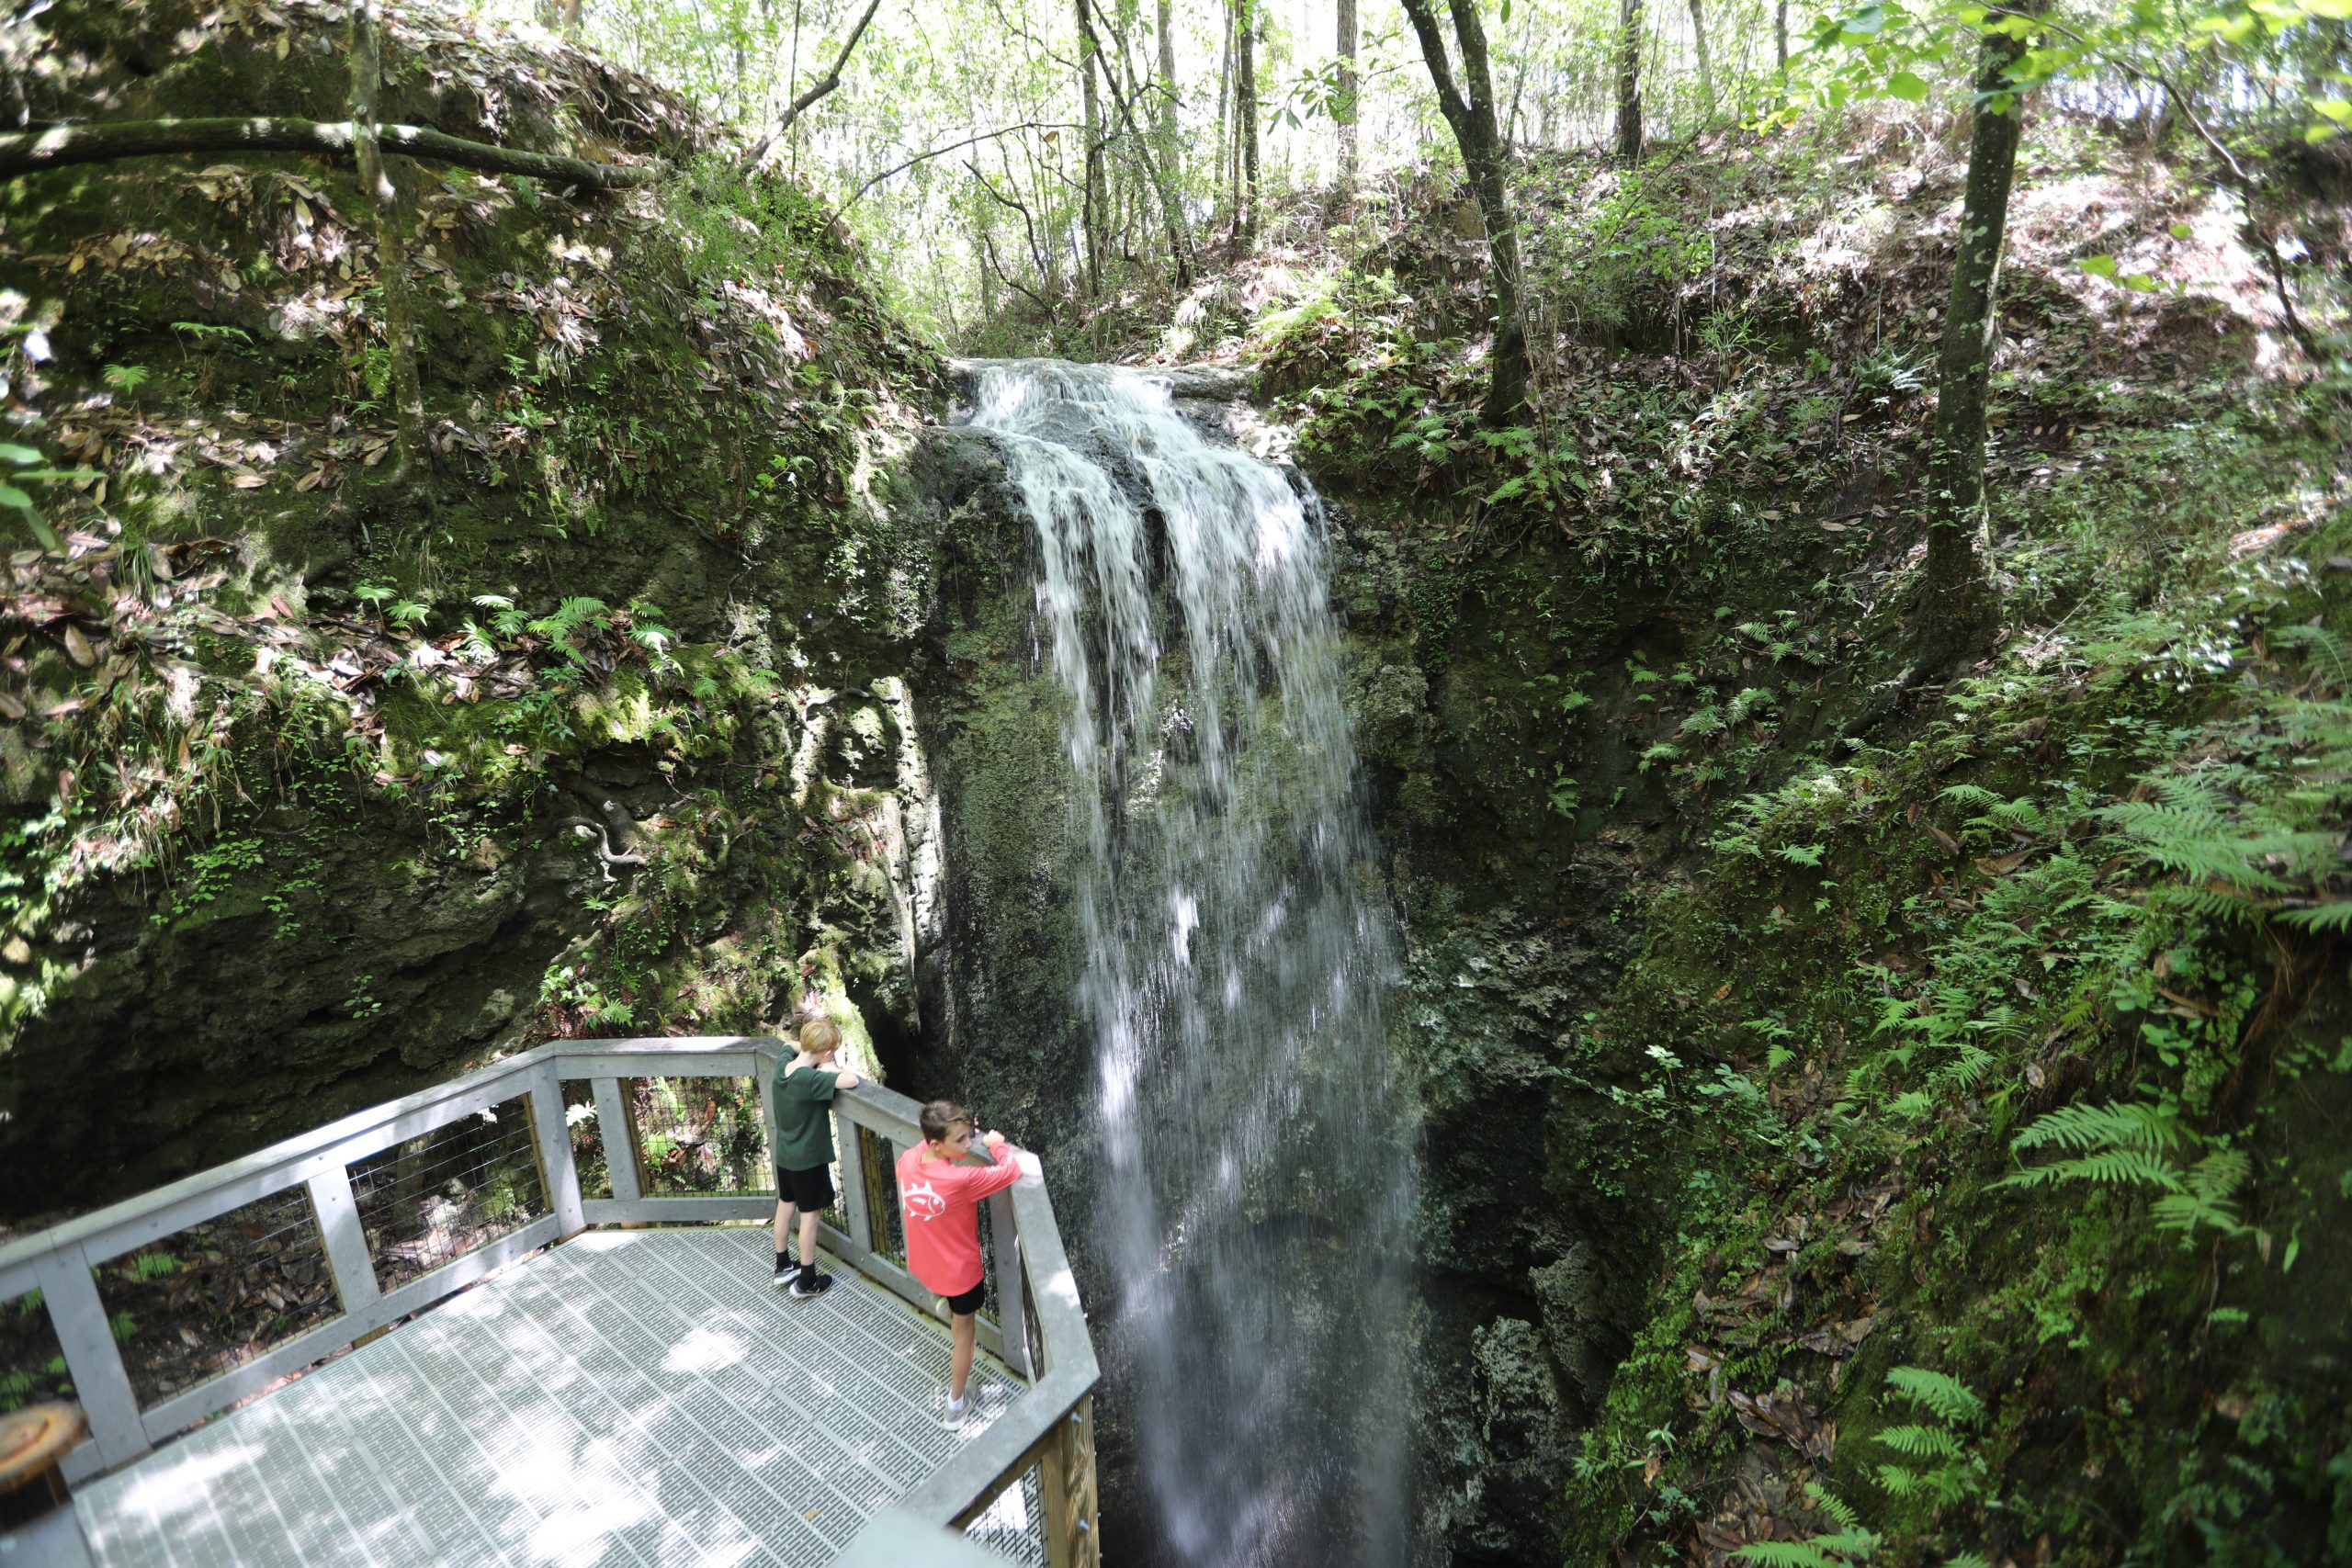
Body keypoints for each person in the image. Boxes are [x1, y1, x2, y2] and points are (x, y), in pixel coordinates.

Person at [898, 1100, 1025, 1424]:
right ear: (937, 1144)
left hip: (926, 1264)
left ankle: (944, 1305)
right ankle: (955, 1404)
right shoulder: (961, 1180)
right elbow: (1010, 1171)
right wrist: (998, 1146)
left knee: (946, 1300)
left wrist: (960, 1128)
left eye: (970, 1136)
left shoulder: (909, 1160)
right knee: (963, 1339)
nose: (969, 1145)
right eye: (961, 1140)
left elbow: (923, 1143)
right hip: (961, 1276)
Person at [771, 1018, 860, 1297]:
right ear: (826, 1052)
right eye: (832, 1049)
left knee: (786, 1206)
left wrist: (811, 1049)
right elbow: (851, 1080)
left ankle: (783, 1265)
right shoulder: (809, 1079)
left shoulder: (783, 1067)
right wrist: (832, 1067)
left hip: (785, 1155)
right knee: (810, 1217)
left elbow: (788, 1045)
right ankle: (807, 1280)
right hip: (808, 1160)